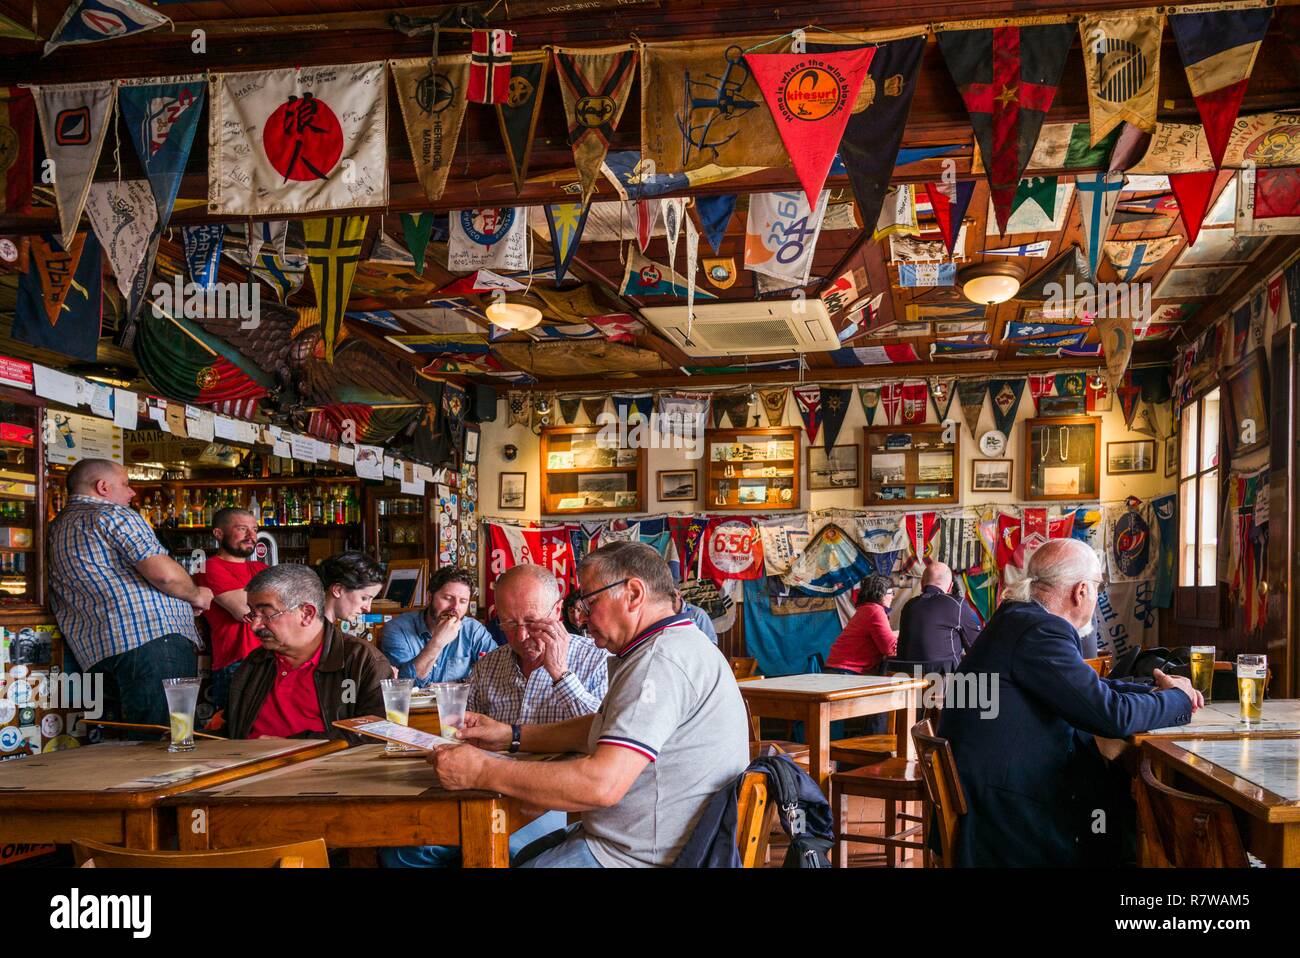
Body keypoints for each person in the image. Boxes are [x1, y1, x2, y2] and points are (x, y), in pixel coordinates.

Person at [430, 541, 749, 867]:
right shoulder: (674, 644)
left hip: (641, 857)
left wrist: (482, 769)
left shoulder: (659, 661)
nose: (581, 617)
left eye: (591, 601)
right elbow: (601, 726)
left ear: (634, 594)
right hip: (649, 841)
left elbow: (602, 784)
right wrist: (511, 735)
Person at [939, 538, 1200, 867]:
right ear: (1081, 591)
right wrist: (1177, 700)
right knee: (1122, 815)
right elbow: (1110, 715)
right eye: (1097, 587)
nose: (1095, 595)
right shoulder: (1040, 630)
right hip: (1010, 816)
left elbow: (1084, 688)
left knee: (1115, 798)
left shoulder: (1020, 618)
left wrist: (1152, 690)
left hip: (993, 794)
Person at [381, 564, 609, 868]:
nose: (522, 635)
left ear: (557, 611)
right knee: (402, 850)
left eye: (532, 621)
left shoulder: (597, 659)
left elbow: (604, 737)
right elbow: (463, 734)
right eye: (509, 624)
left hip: (557, 801)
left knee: (500, 846)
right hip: (485, 792)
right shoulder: (490, 666)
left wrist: (560, 673)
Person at [48, 459, 213, 733]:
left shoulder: (56, 527)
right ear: (103, 487)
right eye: (125, 484)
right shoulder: (114, 515)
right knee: (173, 735)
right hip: (152, 641)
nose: (132, 493)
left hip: (98, 650)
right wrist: (195, 594)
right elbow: (164, 574)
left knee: (131, 744)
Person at [226, 564, 389, 740]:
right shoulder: (255, 663)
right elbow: (230, 731)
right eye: (252, 613)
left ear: (307, 614)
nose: (254, 626)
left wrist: (294, 746)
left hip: (327, 766)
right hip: (248, 764)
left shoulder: (361, 660)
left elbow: (377, 733)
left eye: (266, 614)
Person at [196, 508, 267, 711]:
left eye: (254, 529)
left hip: (269, 659)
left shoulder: (260, 569)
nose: (251, 536)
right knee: (235, 734)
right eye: (242, 529)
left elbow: (286, 605)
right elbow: (244, 611)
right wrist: (269, 603)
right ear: (218, 534)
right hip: (236, 662)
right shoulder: (208, 567)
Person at [380, 567, 496, 685]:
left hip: (458, 702)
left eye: (463, 601)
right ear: (429, 597)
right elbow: (404, 683)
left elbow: (497, 670)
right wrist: (437, 642)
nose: (455, 607)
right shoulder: (397, 629)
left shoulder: (473, 630)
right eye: (448, 598)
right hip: (413, 704)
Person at [895, 559, 983, 672]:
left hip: (910, 680)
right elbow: (976, 649)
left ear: (922, 584)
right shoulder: (957, 604)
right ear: (950, 587)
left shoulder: (909, 606)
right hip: (946, 682)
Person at [825, 575, 898, 675]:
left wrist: (895, 634)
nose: (893, 597)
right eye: (891, 593)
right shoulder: (875, 611)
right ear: (881, 594)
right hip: (846, 672)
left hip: (839, 668)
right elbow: (889, 649)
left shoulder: (867, 608)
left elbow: (881, 637)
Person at [318, 551, 385, 629]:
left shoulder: (327, 632)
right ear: (338, 590)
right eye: (364, 598)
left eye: (371, 599)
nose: (368, 609)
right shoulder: (311, 634)